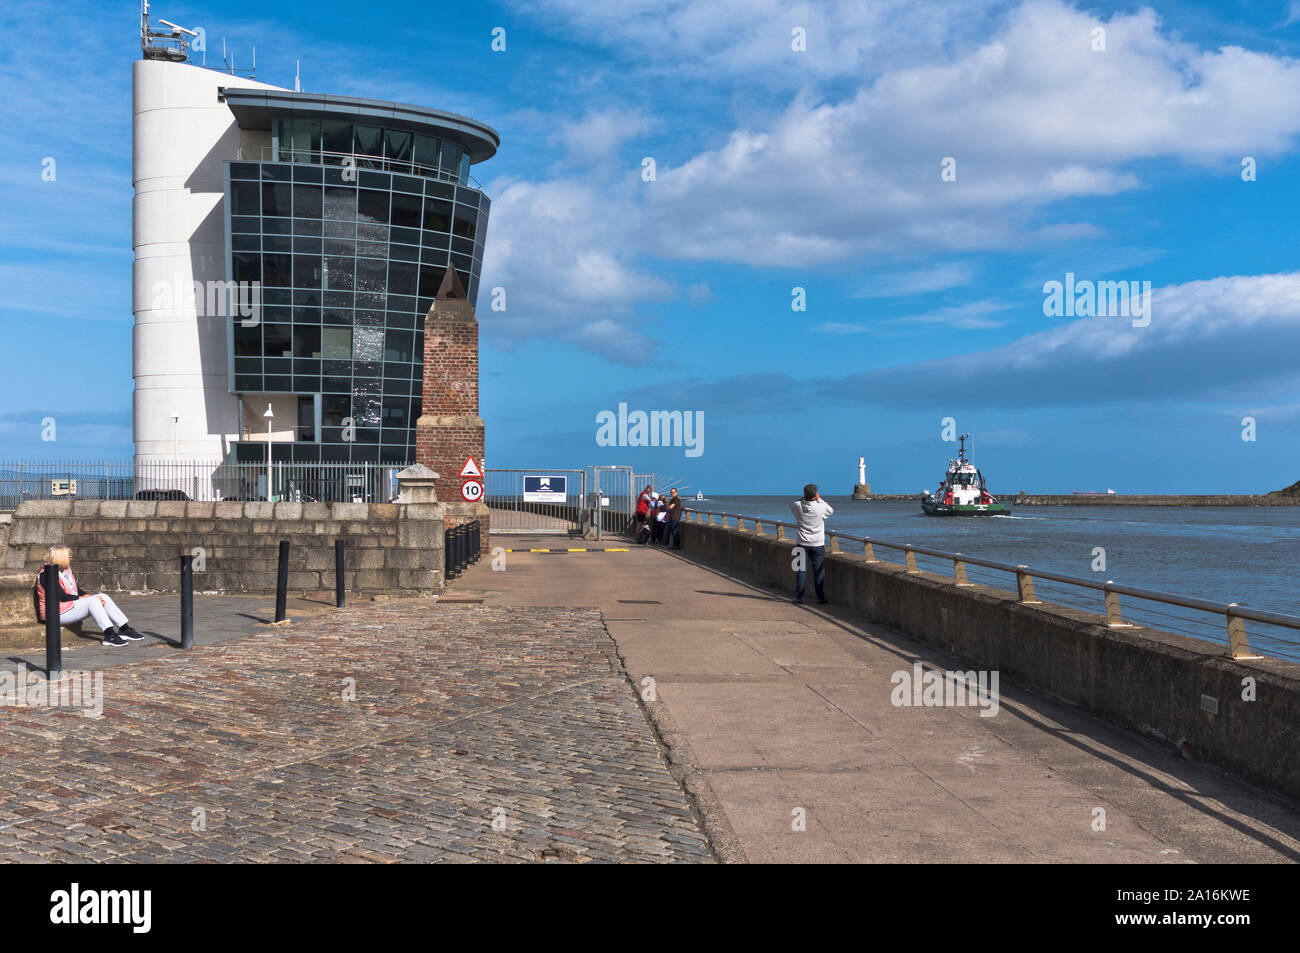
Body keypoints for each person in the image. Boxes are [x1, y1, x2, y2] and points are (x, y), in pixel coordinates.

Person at [35, 546, 144, 647]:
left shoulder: (65, 571)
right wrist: (87, 599)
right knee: (93, 601)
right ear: (60, 558)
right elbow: (61, 597)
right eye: (69, 557)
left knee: (103, 597)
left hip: (68, 606)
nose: (71, 559)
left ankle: (124, 628)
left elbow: (75, 590)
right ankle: (109, 635)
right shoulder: (46, 575)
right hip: (55, 613)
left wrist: (87, 595)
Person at [789, 484, 834, 604]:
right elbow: (830, 510)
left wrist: (804, 498)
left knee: (801, 571)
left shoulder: (797, 506)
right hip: (818, 544)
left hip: (802, 543)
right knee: (818, 572)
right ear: (816, 495)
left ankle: (799, 597)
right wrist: (819, 499)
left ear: (804, 494)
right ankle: (820, 597)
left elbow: (793, 504)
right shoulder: (821, 508)